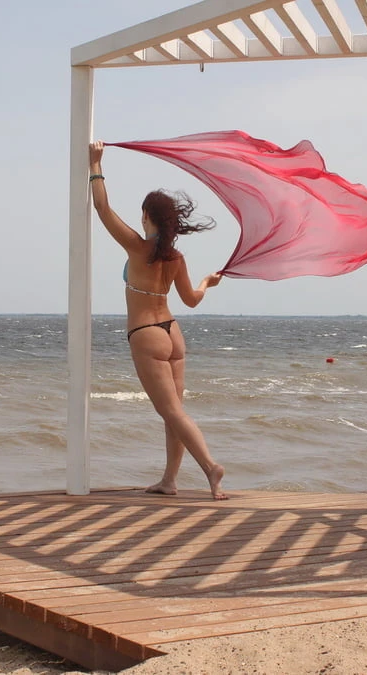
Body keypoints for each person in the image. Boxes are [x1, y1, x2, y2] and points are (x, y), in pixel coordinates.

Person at [89, 140, 227, 500]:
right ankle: (169, 480)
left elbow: (102, 207)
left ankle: (211, 467)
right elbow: (192, 301)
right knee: (174, 412)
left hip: (147, 335)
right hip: (173, 333)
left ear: (148, 218)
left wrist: (96, 163)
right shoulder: (176, 257)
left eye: (142, 214)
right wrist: (206, 283)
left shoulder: (138, 246)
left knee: (170, 412)